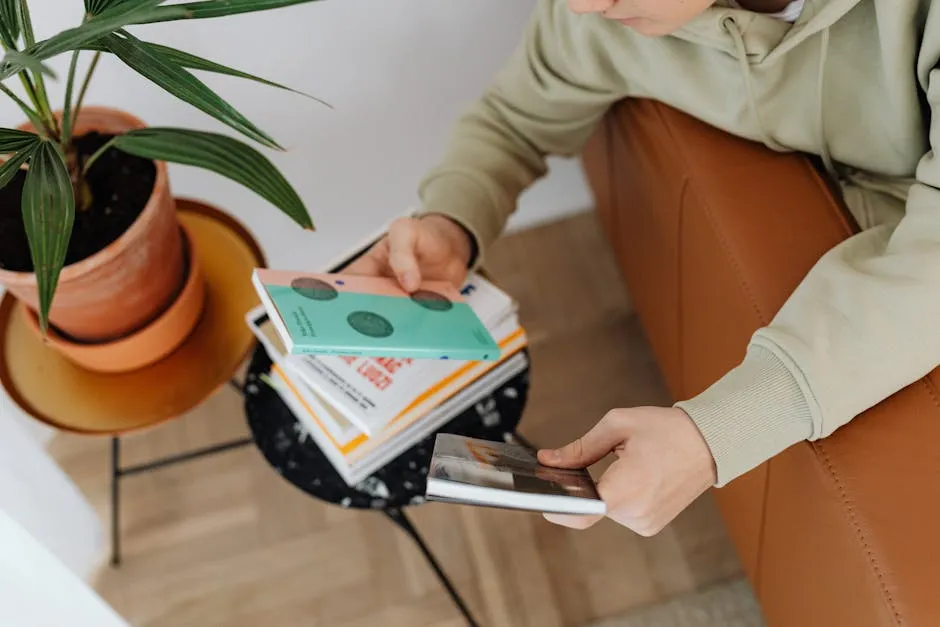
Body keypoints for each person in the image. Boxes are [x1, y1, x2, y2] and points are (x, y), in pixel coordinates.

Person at [347, 0, 940, 535]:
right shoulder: (598, 15)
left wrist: (720, 433)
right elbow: (515, 115)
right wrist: (452, 221)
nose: (582, 5)